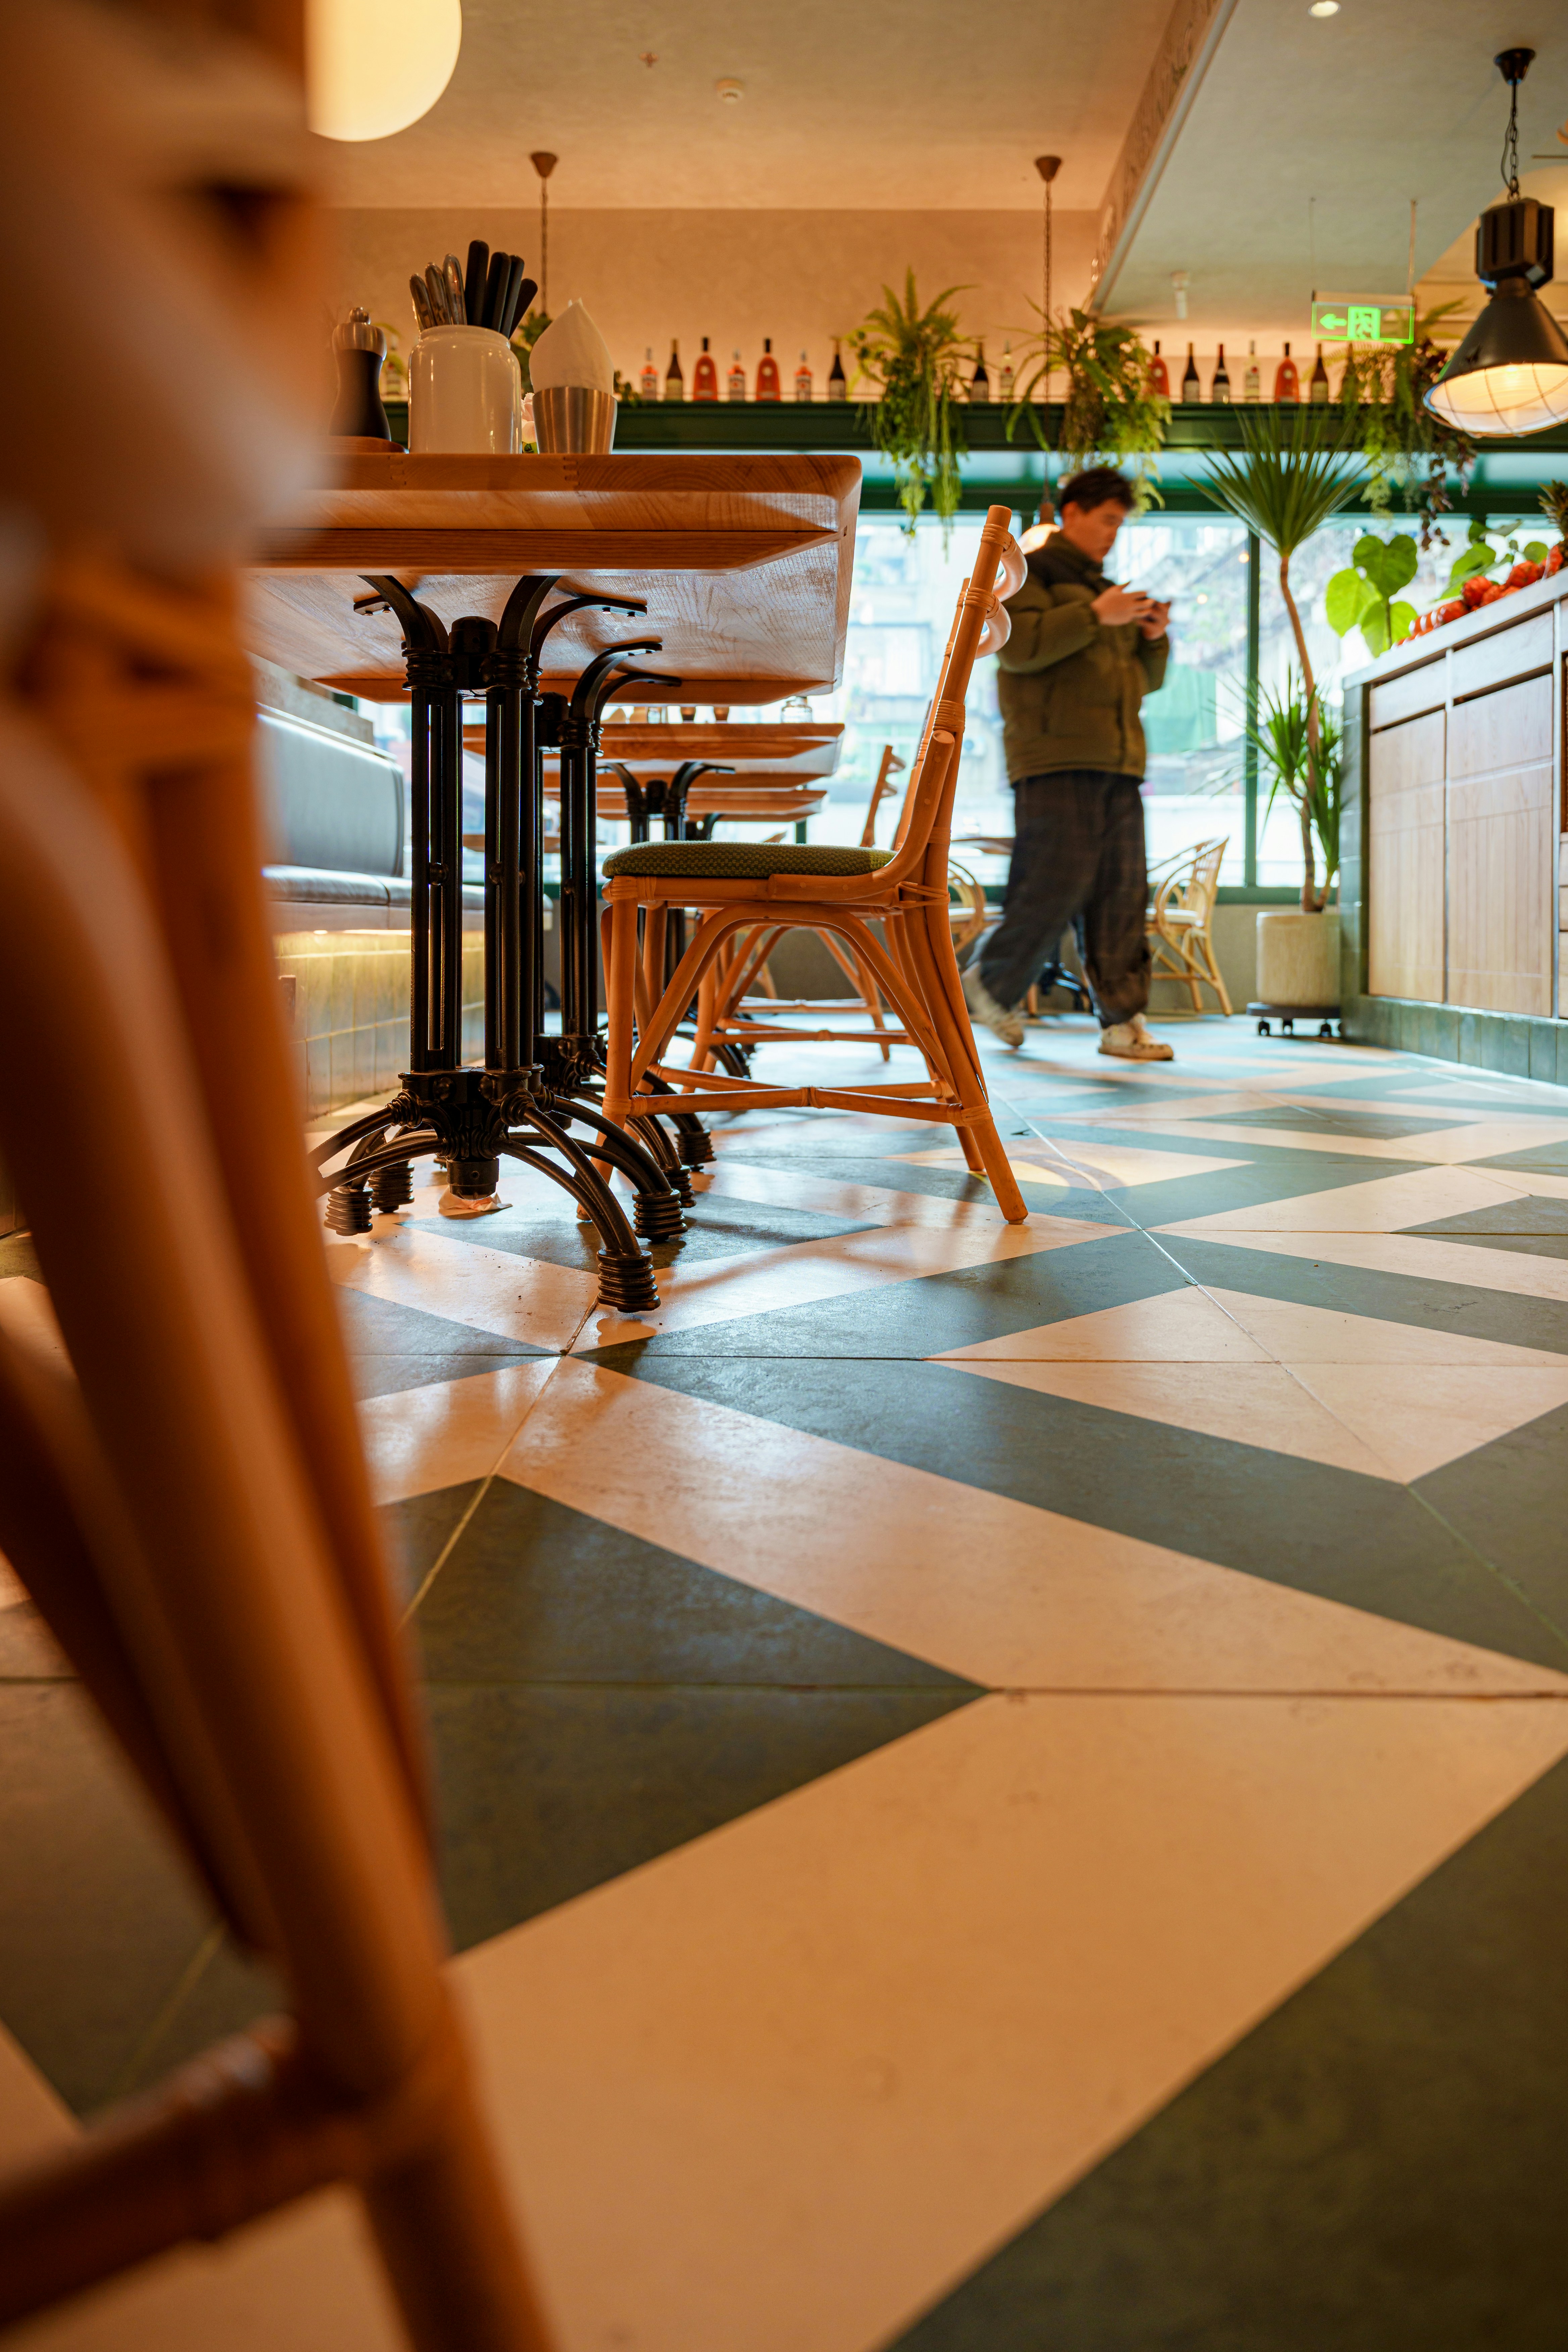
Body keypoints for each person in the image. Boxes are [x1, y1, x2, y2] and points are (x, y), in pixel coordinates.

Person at [963, 465, 1174, 1061]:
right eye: (1107, 519)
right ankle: (991, 984)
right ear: (1072, 512)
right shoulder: (1030, 576)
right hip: (1054, 758)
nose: (1113, 533)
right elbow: (1019, 650)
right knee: (1053, 883)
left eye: (1119, 523)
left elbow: (1143, 682)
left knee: (1122, 893)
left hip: (1119, 760)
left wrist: (1152, 637)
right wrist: (1094, 617)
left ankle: (1122, 1019)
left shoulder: (1102, 590)